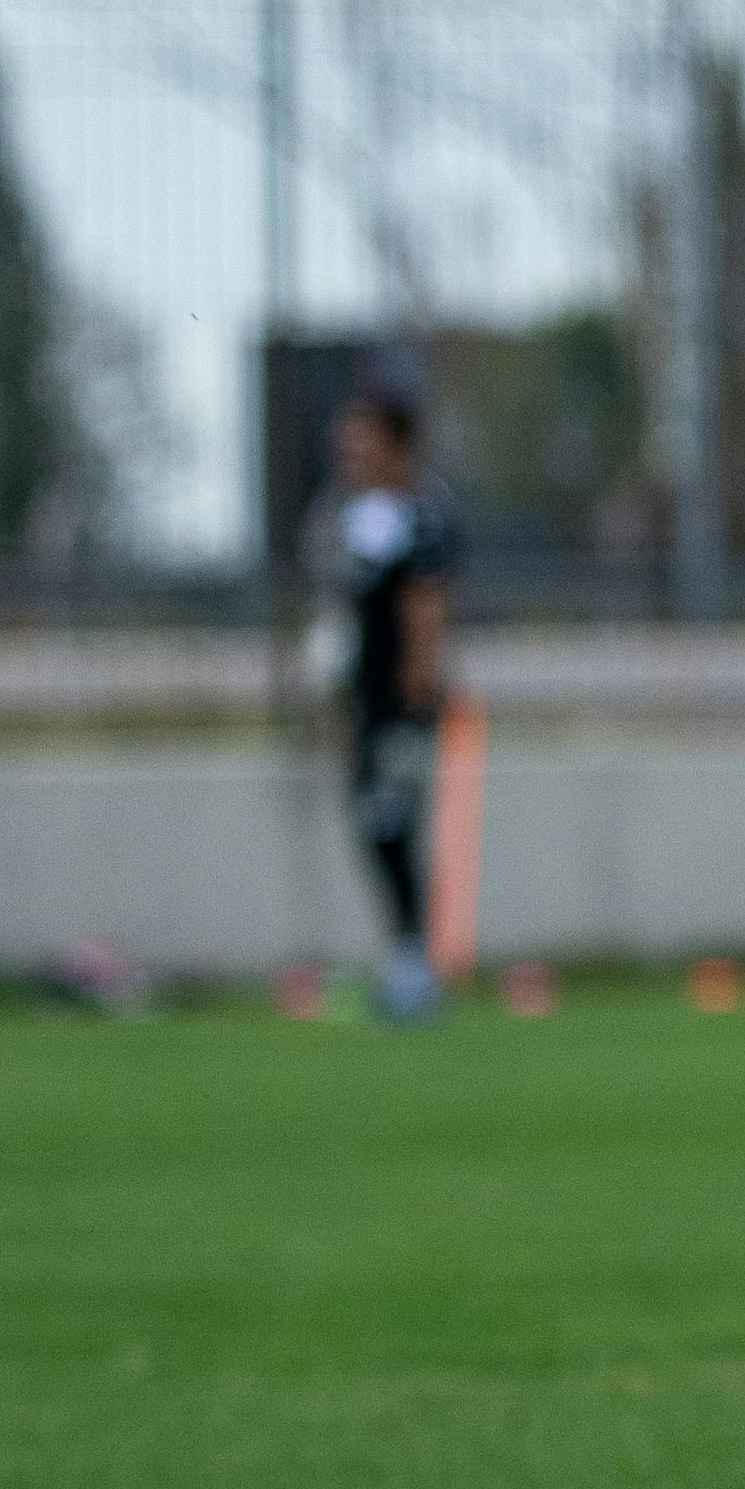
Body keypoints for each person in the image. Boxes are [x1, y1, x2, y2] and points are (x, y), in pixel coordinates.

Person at [321, 386, 461, 1023]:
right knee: (376, 826)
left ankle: (414, 968)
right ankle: (405, 957)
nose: (351, 451)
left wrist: (416, 699)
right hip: (365, 702)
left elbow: (425, 610)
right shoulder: (358, 518)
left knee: (392, 825)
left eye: (364, 437)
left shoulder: (421, 516)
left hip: (398, 706)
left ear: (396, 442)